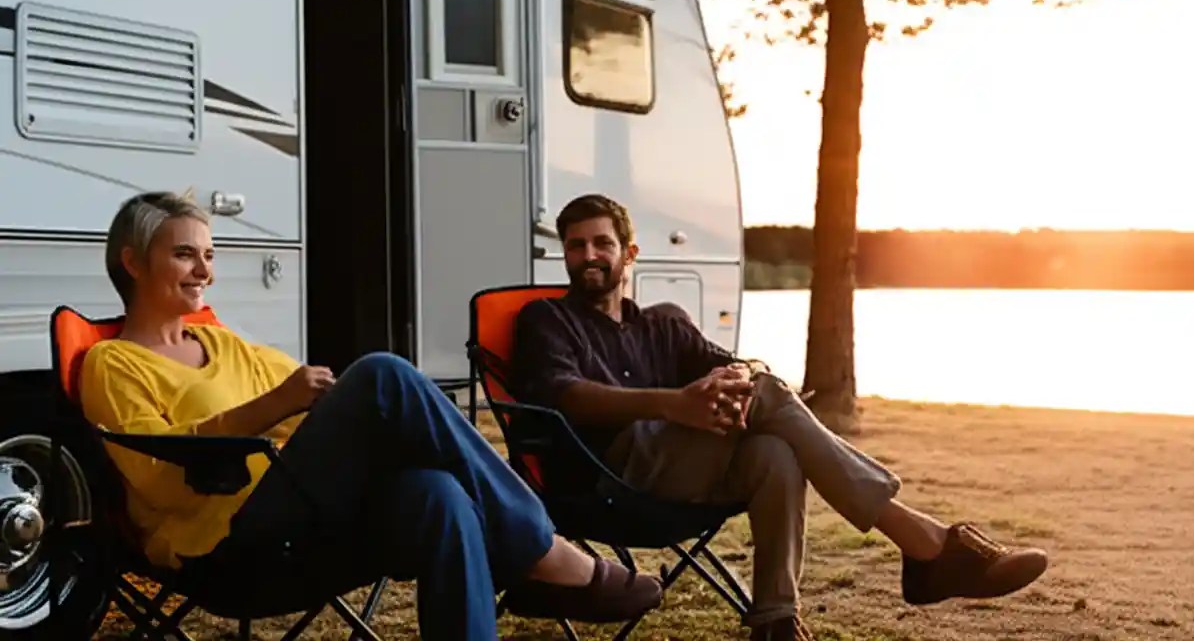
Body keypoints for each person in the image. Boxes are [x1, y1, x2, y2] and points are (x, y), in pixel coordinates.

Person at [79, 191, 663, 641]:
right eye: (184, 254)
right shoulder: (113, 362)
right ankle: (542, 551)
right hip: (228, 548)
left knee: (438, 495)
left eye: (209, 255)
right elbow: (159, 478)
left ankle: (525, 562)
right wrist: (276, 405)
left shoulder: (224, 344)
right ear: (132, 262)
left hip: (303, 525)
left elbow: (318, 406)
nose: (205, 271)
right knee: (384, 375)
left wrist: (341, 421)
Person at [511, 193, 1050, 641]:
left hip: (676, 475)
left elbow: (741, 368)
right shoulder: (547, 319)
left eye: (602, 243)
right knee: (767, 396)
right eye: (576, 245)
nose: (589, 255)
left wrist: (738, 376)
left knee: (774, 449)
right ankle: (925, 542)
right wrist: (674, 403)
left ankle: (776, 622)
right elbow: (565, 396)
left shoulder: (664, 325)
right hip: (603, 477)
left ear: (629, 253)